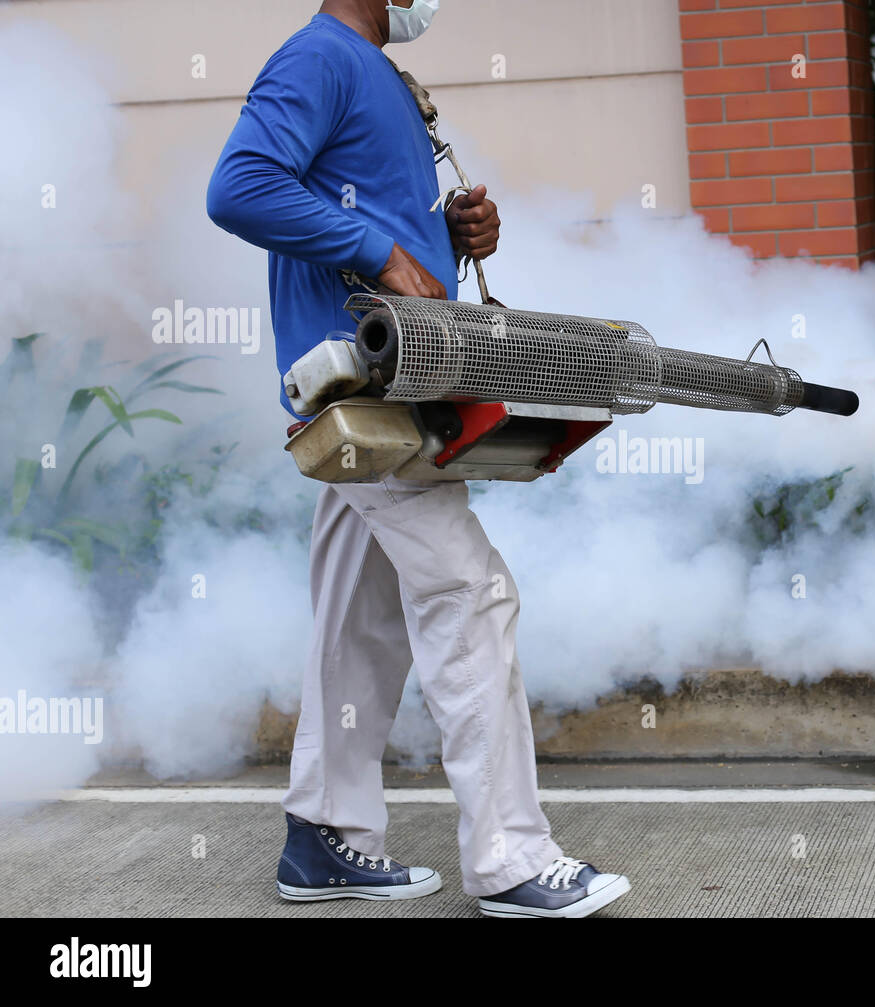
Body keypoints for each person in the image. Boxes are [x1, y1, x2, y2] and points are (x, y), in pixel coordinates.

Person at [206, 0, 629, 919]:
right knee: (470, 593)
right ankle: (511, 858)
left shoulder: (379, 74)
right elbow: (238, 185)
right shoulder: (318, 58)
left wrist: (456, 231)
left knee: (359, 619)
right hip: (367, 384)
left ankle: (326, 838)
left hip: (396, 377)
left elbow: (362, 208)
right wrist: (384, 251)